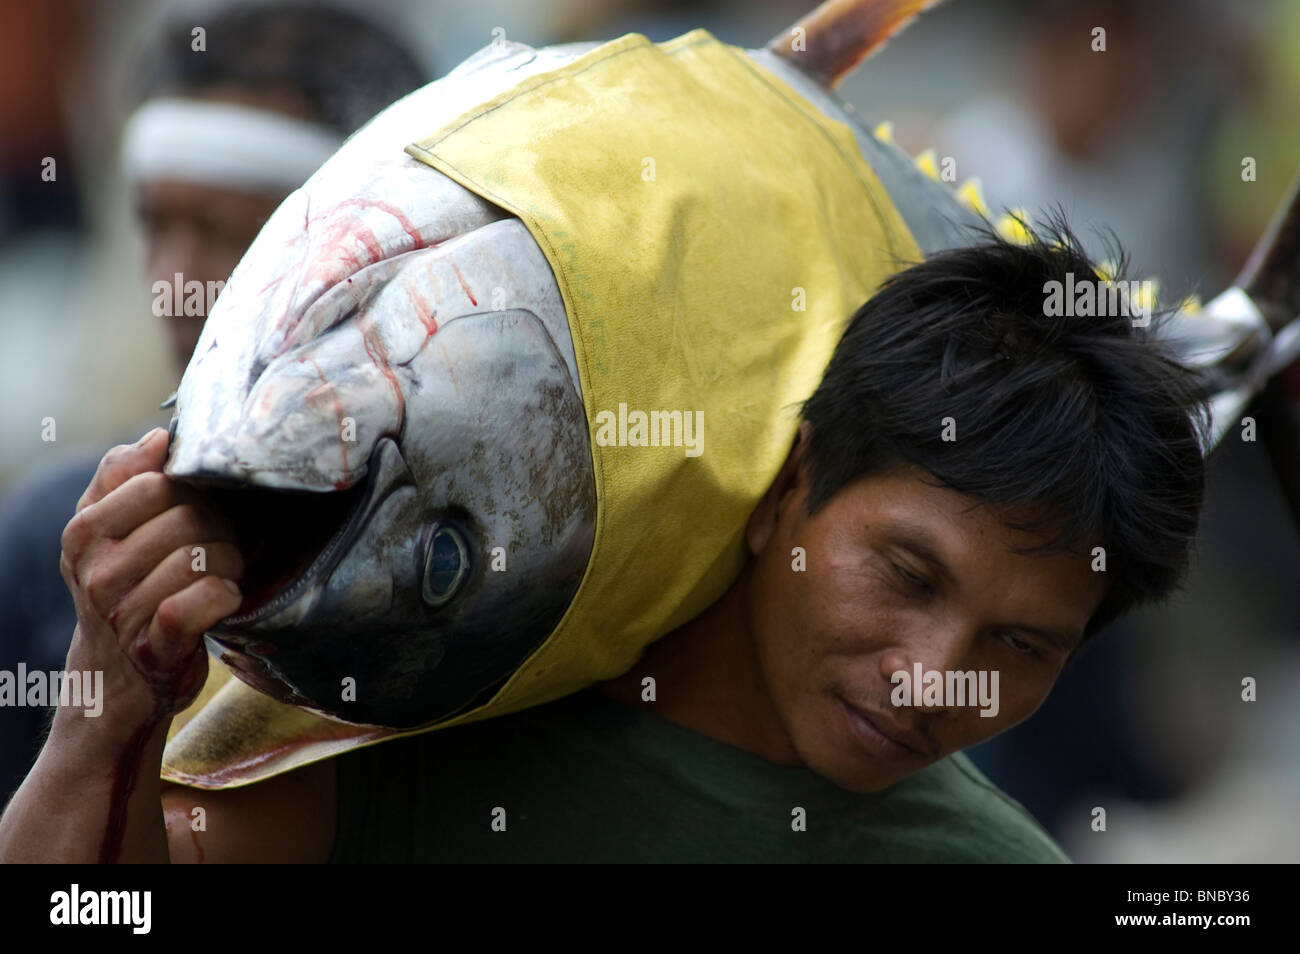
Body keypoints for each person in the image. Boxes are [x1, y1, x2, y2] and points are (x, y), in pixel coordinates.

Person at [0, 216, 1210, 862]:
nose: (931, 674)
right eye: (904, 574)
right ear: (789, 486)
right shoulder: (448, 702)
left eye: (1020, 646)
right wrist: (104, 718)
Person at [0, 1, 425, 801]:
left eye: (230, 233)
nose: (176, 281)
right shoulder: (59, 546)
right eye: (155, 223)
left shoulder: (463, 541)